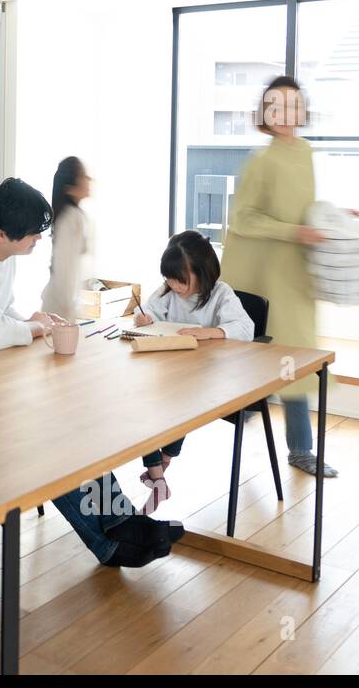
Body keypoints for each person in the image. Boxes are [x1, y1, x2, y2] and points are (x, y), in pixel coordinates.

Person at [0, 177, 182, 567]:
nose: (36, 241)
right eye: (32, 236)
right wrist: (35, 327)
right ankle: (110, 542)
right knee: (45, 436)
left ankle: (120, 521)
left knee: (67, 422)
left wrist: (29, 320)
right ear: (1, 233)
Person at [221, 75, 338, 477]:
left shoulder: (304, 152)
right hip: (266, 273)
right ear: (266, 114)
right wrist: (294, 232)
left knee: (298, 361)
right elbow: (243, 218)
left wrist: (334, 218)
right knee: (285, 359)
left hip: (296, 272)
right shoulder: (262, 161)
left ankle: (292, 445)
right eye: (278, 106)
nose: (288, 113)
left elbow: (301, 206)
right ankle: (289, 442)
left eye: (294, 104)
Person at [133, 230, 254, 511]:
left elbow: (246, 328)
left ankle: (158, 469)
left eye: (181, 280)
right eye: (169, 278)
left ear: (203, 272)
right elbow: (153, 318)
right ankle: (158, 474)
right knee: (142, 406)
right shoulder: (166, 293)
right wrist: (145, 320)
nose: (174, 285)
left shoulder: (221, 294)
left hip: (209, 379)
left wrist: (213, 332)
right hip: (171, 374)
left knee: (176, 403)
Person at [40, 156, 92, 322]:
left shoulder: (73, 216)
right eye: (84, 175)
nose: (89, 180)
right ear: (70, 188)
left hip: (62, 304)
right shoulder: (71, 218)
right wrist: (70, 307)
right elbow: (65, 267)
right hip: (61, 307)